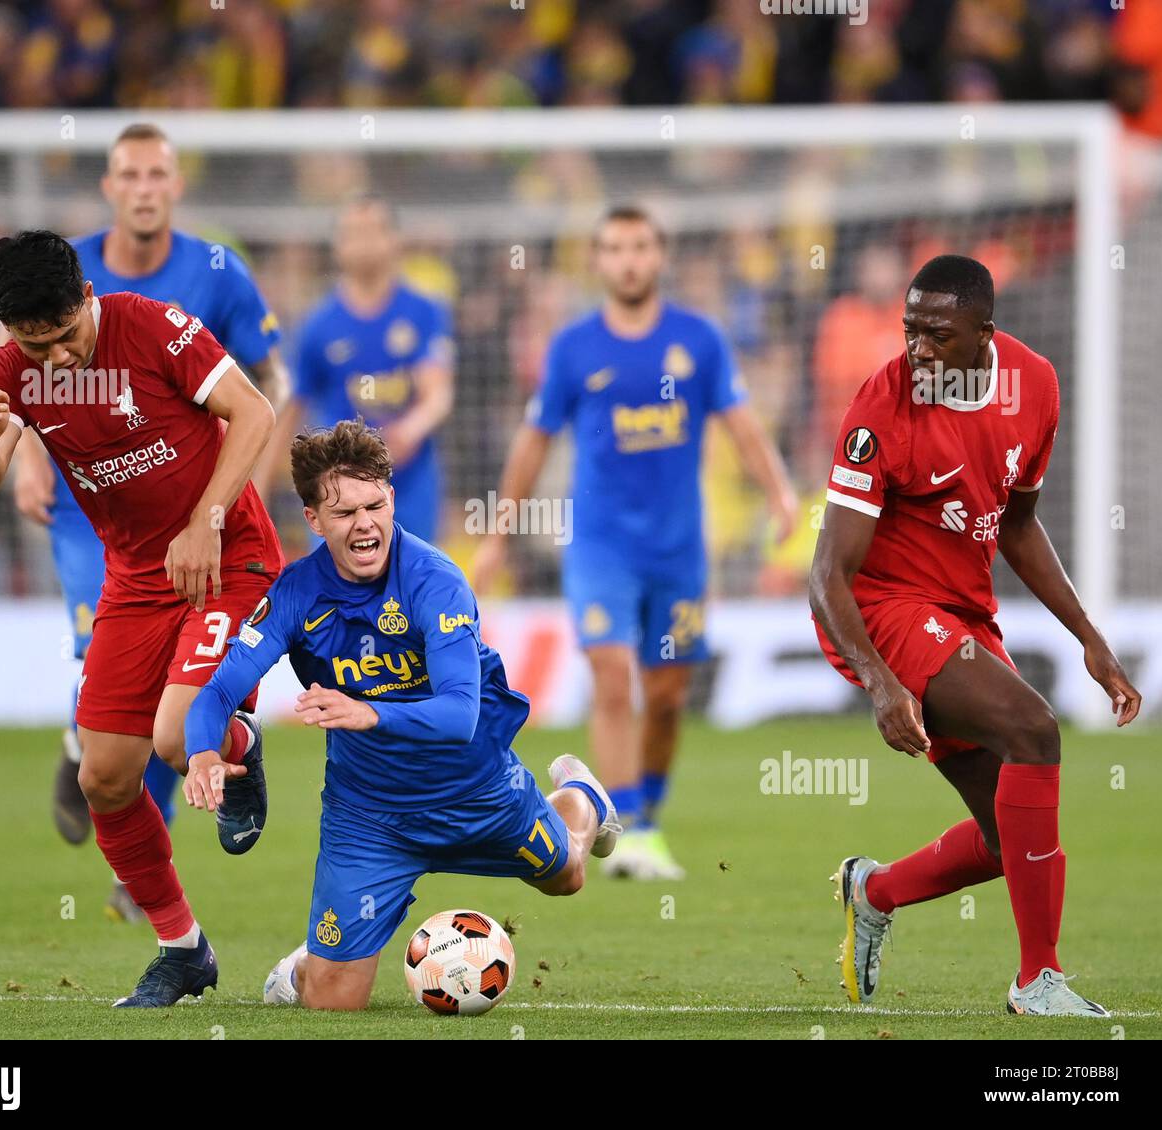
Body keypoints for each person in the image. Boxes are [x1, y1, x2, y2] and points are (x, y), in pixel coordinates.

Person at [183, 420, 620, 1010]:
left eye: (375, 504)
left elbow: (460, 714)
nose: (365, 524)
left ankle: (580, 800)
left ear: (391, 497)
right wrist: (204, 752)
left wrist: (370, 713)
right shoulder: (294, 594)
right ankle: (313, 962)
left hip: (477, 792)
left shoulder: (434, 581)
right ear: (313, 520)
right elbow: (215, 694)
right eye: (344, 514)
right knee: (332, 1004)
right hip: (371, 818)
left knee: (567, 874)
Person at [809, 254, 1141, 1017]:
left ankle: (874, 889)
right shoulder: (880, 410)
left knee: (1007, 840)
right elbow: (827, 573)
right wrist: (880, 682)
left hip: (960, 610)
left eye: (938, 334)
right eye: (909, 331)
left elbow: (1018, 527)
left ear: (984, 334)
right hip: (880, 610)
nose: (918, 349)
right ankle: (1039, 982)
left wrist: (1088, 636)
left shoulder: (1036, 387)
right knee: (1035, 730)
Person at [0, 230, 283, 1006]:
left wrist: (206, 518)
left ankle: (239, 746)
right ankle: (184, 951)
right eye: (36, 346)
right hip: (135, 580)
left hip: (223, 556)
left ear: (86, 298)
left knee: (176, 737)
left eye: (67, 337)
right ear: (11, 332)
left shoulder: (153, 326)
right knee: (102, 776)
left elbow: (256, 412)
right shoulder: (11, 374)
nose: (57, 360)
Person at [7, 123, 289, 925]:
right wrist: (26, 459)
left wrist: (237, 495)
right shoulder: (62, 272)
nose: (142, 187)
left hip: (193, 510)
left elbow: (266, 384)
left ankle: (143, 843)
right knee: (105, 652)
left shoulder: (213, 272)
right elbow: (18, 375)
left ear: (174, 184)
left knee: (173, 712)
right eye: (127, 173)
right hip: (86, 508)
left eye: (156, 173)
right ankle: (88, 745)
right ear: (109, 185)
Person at [474, 205, 798, 880]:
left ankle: (648, 815)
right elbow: (535, 441)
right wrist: (498, 532)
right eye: (615, 248)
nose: (628, 259)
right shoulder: (573, 349)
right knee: (614, 678)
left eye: (640, 246)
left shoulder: (699, 342)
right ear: (598, 260)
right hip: (600, 549)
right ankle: (619, 825)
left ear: (660, 256)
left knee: (669, 693)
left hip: (679, 553)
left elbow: (741, 424)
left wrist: (780, 493)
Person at [272, 194, 453, 544]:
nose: (364, 243)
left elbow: (438, 393)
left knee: (413, 586)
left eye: (374, 231)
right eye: (353, 232)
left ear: (396, 240)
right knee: (341, 590)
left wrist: (409, 430)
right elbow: (291, 407)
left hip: (408, 482)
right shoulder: (318, 325)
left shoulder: (424, 312)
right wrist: (263, 488)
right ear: (338, 245)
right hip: (337, 486)